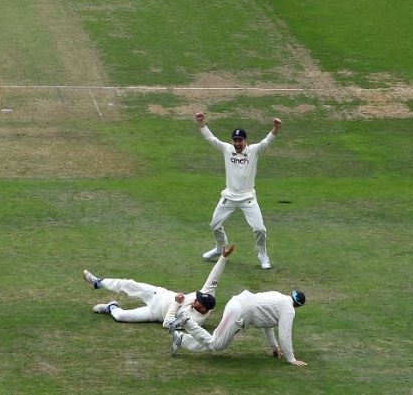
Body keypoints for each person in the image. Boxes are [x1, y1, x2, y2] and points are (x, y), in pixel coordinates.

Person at [195, 112, 283, 269]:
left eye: (240, 140)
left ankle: (263, 255)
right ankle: (220, 248)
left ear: (245, 140)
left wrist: (275, 128)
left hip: (248, 199)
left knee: (259, 229)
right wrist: (201, 123)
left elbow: (267, 141)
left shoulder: (253, 151)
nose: (237, 143)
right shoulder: (227, 149)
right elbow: (211, 139)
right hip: (229, 197)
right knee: (215, 224)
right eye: (235, 140)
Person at [84, 244, 234, 328]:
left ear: (204, 309)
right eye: (198, 297)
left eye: (198, 301)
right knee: (128, 283)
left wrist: (176, 302)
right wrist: (223, 257)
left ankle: (111, 307)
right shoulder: (208, 295)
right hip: (159, 294)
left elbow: (167, 324)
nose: (195, 299)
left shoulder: (195, 321)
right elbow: (214, 277)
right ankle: (97, 282)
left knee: (121, 316)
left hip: (154, 314)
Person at [170, 289, 308, 367]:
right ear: (298, 306)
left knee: (216, 341)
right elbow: (285, 335)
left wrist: (274, 347)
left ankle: (181, 339)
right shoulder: (288, 310)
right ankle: (186, 322)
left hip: (235, 303)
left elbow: (268, 326)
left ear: (290, 294)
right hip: (239, 313)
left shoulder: (278, 295)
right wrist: (291, 359)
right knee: (217, 345)